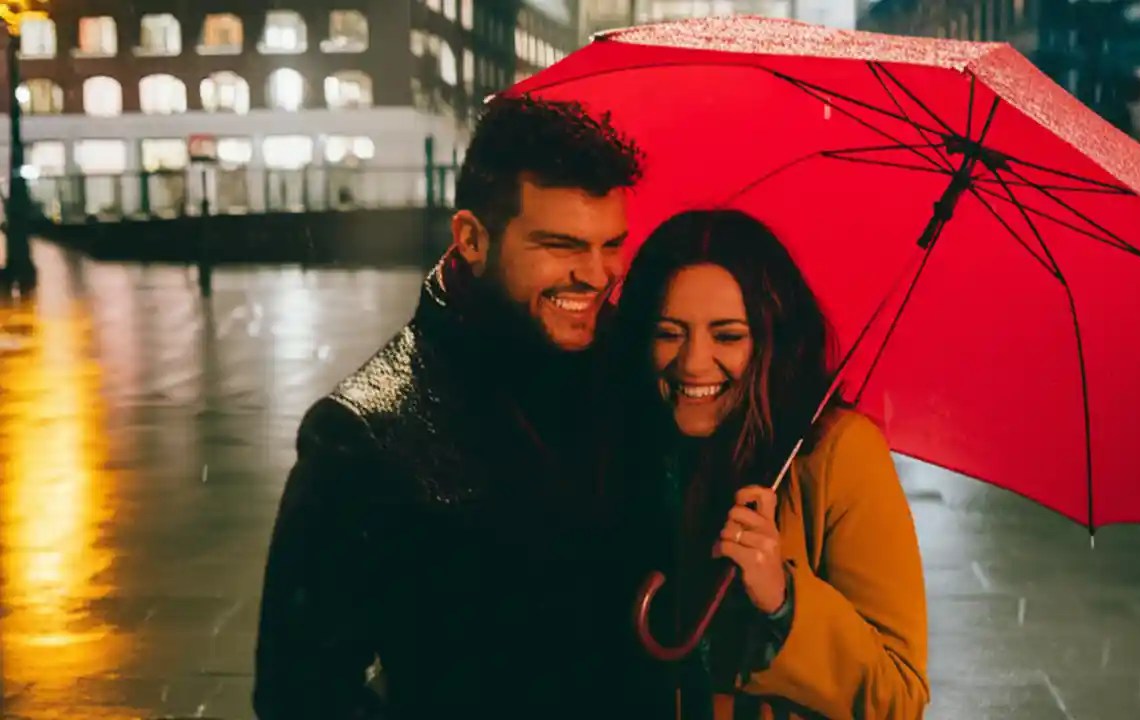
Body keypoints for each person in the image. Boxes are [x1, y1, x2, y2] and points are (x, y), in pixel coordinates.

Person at [252, 95, 646, 718]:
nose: (596, 275)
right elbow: (301, 690)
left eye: (611, 245)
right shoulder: (364, 432)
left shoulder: (634, 369)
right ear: (472, 239)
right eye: (562, 246)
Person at [605, 209, 930, 720]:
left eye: (728, 336)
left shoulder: (835, 454)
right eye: (669, 333)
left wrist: (783, 600)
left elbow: (898, 697)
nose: (693, 363)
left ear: (770, 341)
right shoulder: (632, 442)